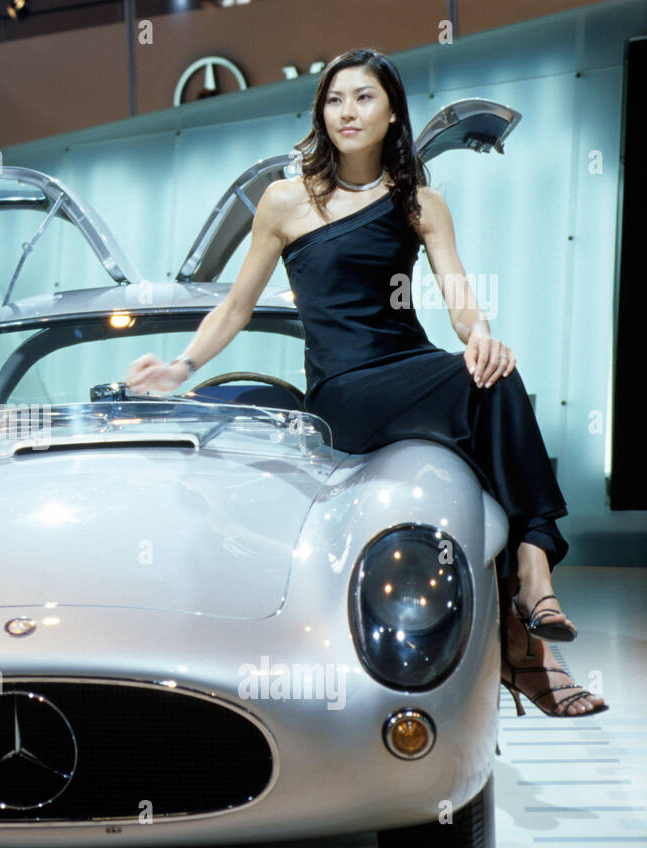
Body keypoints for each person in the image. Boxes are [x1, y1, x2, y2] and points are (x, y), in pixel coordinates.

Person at [125, 48, 607, 718]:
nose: (346, 112)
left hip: (410, 362)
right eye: (334, 99)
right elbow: (235, 306)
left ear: (391, 114)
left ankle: (529, 575)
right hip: (345, 390)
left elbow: (460, 297)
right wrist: (181, 367)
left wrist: (481, 339)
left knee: (497, 375)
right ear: (321, 113)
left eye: (363, 98)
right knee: (484, 394)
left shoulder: (422, 203)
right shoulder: (284, 200)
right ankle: (529, 618)